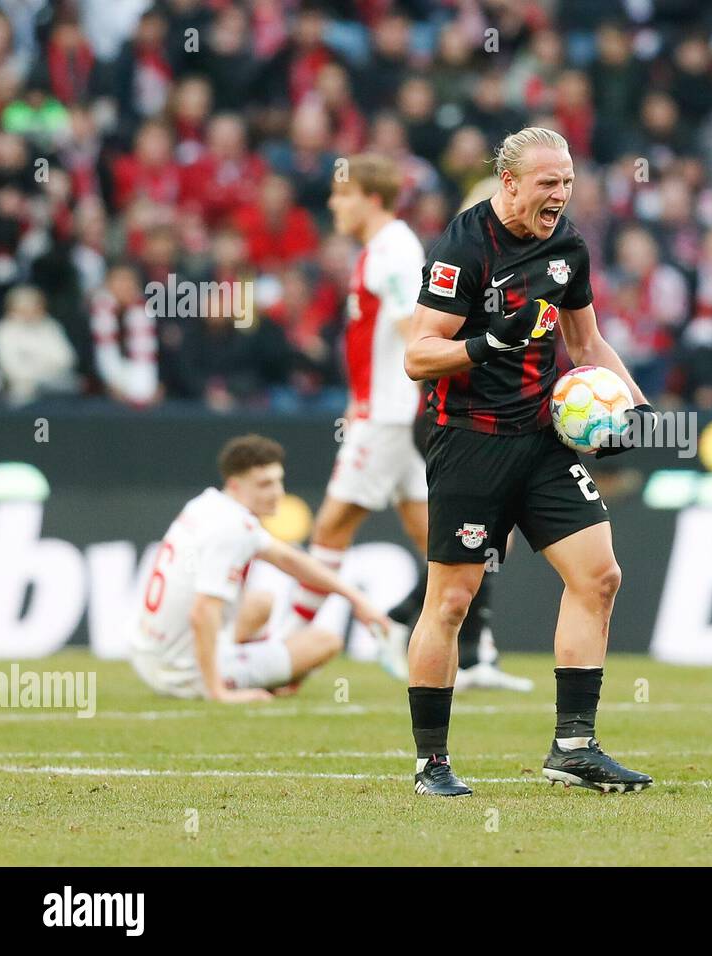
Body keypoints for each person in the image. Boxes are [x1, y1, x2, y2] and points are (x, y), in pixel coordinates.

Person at [402, 127, 655, 796]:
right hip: (468, 441)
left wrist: (637, 407)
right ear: (509, 182)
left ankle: (574, 748)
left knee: (599, 576)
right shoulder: (462, 246)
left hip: (541, 439)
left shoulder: (567, 247)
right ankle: (431, 763)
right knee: (451, 600)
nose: (560, 194)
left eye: (567, 182)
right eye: (548, 183)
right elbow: (417, 356)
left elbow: (587, 341)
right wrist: (487, 342)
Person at [381, 174, 533, 693]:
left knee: (488, 542)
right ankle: (461, 648)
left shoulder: (519, 262)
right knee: (477, 543)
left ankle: (438, 632)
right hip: (450, 415)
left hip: (481, 415)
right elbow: (423, 349)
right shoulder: (465, 260)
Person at [130, 434, 392, 702]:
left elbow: (290, 560)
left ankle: (251, 666)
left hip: (147, 654)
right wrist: (217, 692)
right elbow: (203, 612)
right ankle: (237, 679)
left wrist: (356, 599)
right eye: (264, 484)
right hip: (181, 674)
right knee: (327, 642)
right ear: (236, 485)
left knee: (261, 601)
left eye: (279, 481)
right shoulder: (232, 530)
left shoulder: (207, 504)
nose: (277, 492)